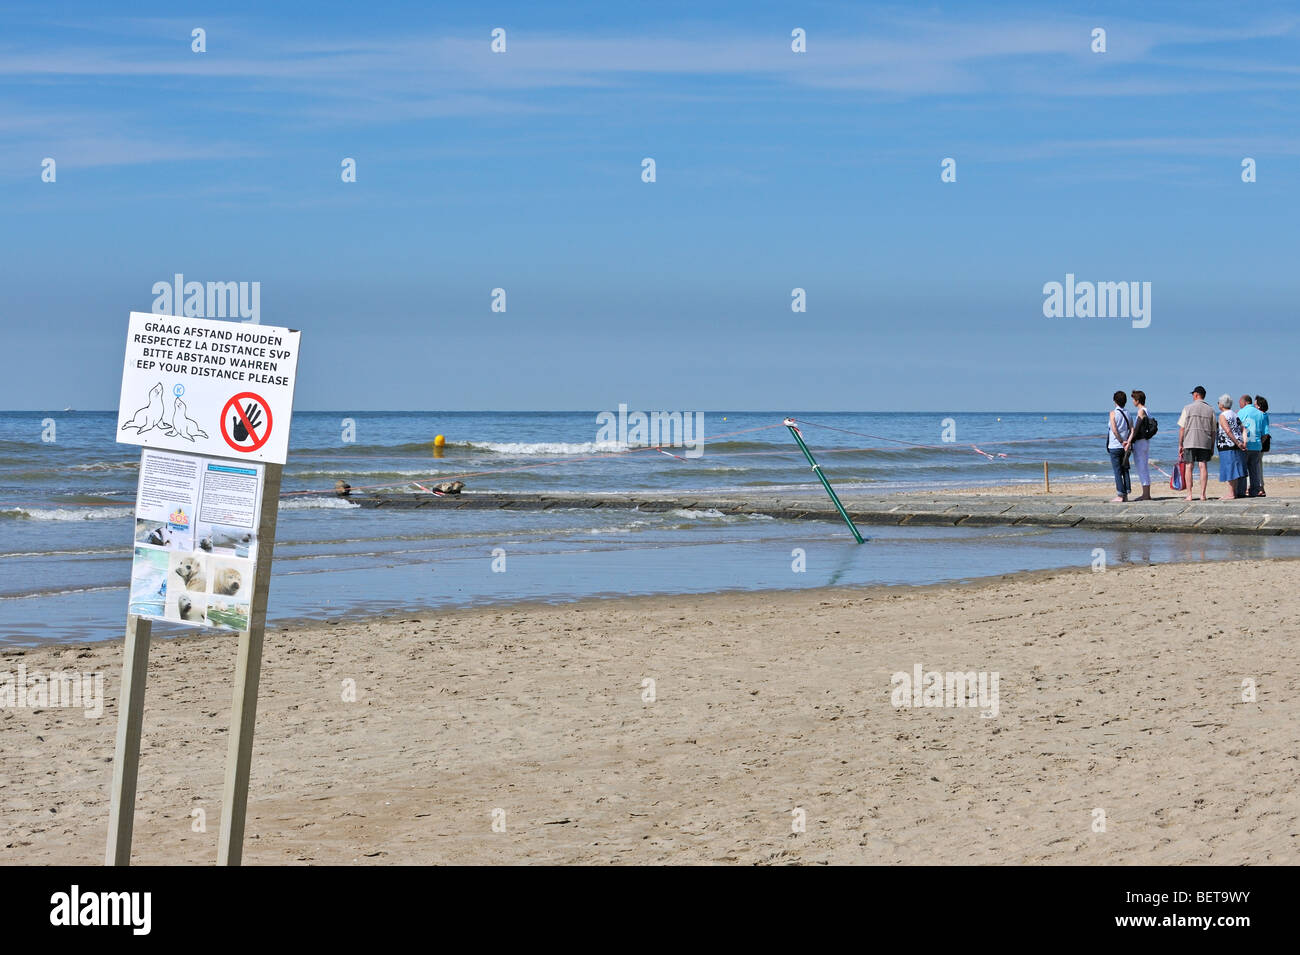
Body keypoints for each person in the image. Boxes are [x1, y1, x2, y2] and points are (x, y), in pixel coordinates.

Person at [1178, 386, 1216, 502]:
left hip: (1189, 441)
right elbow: (1213, 430)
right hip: (1204, 441)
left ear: (1196, 395)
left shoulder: (1187, 408)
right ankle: (1202, 495)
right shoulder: (1210, 409)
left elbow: (1182, 428)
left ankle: (1189, 495)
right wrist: (1212, 446)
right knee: (1202, 466)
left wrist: (1180, 444)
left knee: (1189, 467)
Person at [1215, 394, 1248, 499]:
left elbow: (1227, 430)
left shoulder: (1222, 415)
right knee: (1234, 469)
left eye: (1218, 402)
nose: (1218, 404)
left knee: (1229, 468)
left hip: (1227, 445)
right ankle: (1233, 492)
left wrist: (1237, 443)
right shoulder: (1235, 414)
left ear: (1222, 404)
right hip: (1237, 444)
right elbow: (1244, 429)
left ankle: (1231, 493)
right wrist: (1243, 442)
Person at [1237, 394, 1267, 498]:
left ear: (1245, 402)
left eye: (1240, 402)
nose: (1239, 404)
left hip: (1245, 445)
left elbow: (1237, 429)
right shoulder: (1261, 414)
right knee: (1254, 470)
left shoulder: (1240, 412)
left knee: (1243, 469)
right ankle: (1254, 491)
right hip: (1257, 445)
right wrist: (1259, 443)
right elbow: (1265, 433)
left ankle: (1241, 491)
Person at [1106, 390, 1133, 502]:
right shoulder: (1127, 413)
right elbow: (1132, 429)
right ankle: (1126, 493)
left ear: (1115, 401)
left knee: (1117, 470)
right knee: (1125, 469)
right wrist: (1128, 441)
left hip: (1115, 446)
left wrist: (1122, 441)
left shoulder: (1113, 413)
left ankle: (1120, 495)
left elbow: (1114, 430)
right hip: (1125, 446)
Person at [1129, 389, 1153, 500]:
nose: (1132, 401)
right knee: (1144, 467)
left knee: (1141, 468)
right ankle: (1146, 494)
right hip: (1145, 442)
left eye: (1133, 399)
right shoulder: (1147, 410)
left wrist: (1129, 440)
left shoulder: (1141, 411)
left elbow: (1137, 428)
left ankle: (1145, 494)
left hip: (1140, 442)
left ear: (1137, 400)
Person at [1254, 395, 1271, 496]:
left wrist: (1259, 444)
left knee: (1257, 465)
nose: (1253, 406)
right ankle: (1259, 487)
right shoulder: (1262, 415)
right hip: (1260, 442)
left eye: (1255, 404)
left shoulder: (1262, 415)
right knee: (1257, 465)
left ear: (1259, 406)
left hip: (1261, 442)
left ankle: (1260, 487)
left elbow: (1265, 433)